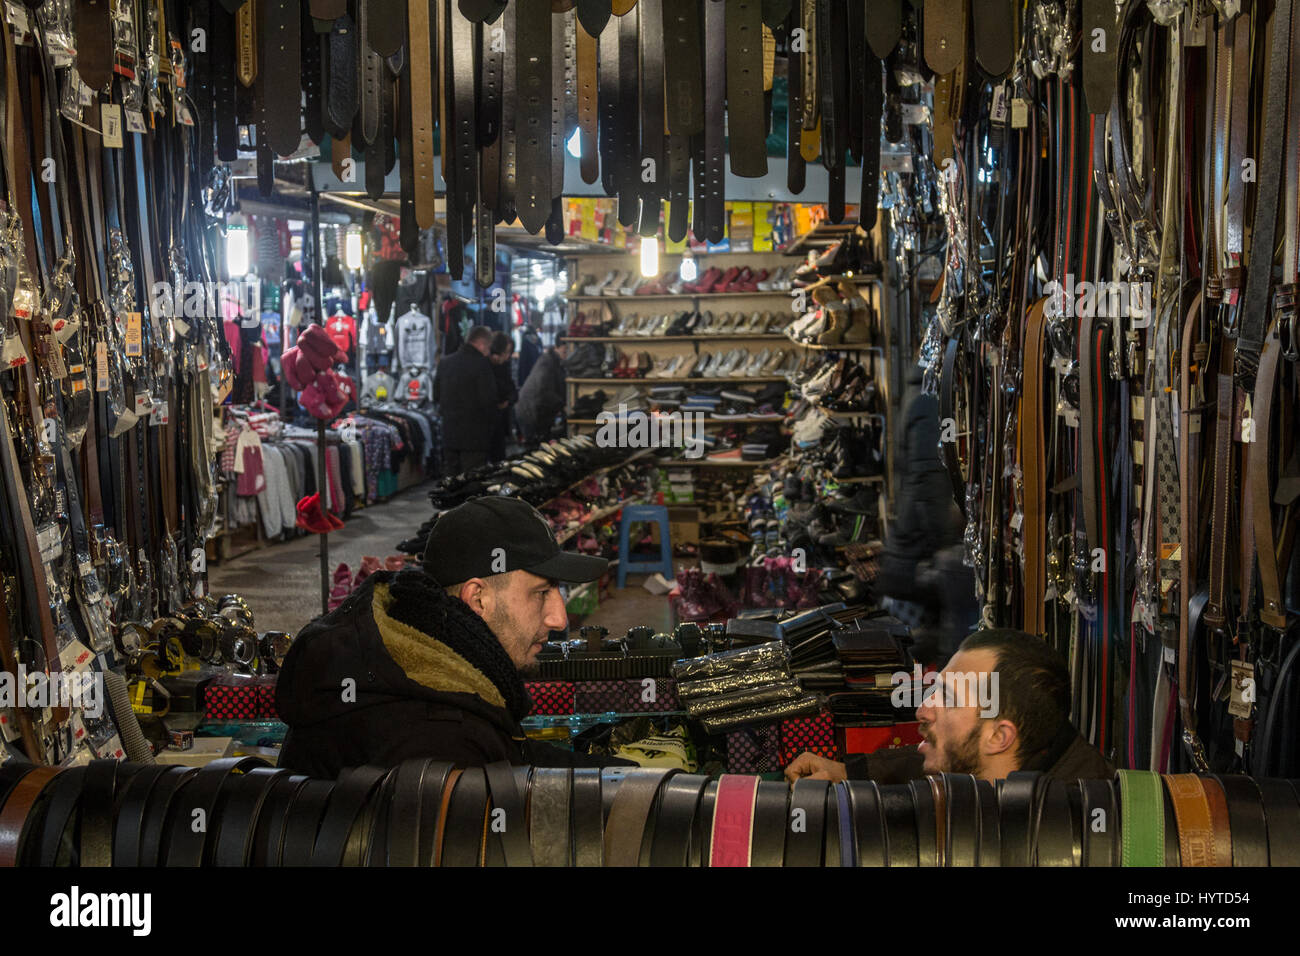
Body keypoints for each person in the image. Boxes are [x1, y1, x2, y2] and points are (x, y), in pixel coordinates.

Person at [275, 496, 635, 777]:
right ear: (478, 598)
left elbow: (512, 758)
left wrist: (627, 779)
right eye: (541, 593)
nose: (558, 619)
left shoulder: (434, 668)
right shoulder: (438, 737)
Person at [784, 629, 1113, 784]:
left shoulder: (1074, 833)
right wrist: (850, 772)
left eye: (948, 699)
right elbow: (948, 756)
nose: (921, 710)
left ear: (999, 737)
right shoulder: (1012, 760)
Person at [876, 360, 976, 666]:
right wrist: (945, 546)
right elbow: (928, 479)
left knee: (939, 641)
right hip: (921, 550)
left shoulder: (920, 393)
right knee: (947, 641)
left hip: (916, 546)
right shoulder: (929, 400)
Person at [432, 324, 498, 474]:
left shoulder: (445, 363)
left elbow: (436, 395)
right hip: (475, 438)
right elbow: (489, 401)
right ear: (482, 344)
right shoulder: (482, 365)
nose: (488, 353)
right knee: (471, 484)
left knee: (451, 482)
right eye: (488, 347)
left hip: (449, 435)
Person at [515, 333, 569, 444]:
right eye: (565, 351)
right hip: (531, 413)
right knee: (537, 449)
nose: (567, 355)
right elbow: (544, 391)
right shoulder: (547, 362)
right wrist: (563, 406)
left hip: (536, 411)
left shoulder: (555, 362)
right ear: (557, 347)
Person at [488, 331, 518, 462]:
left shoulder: (504, 367)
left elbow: (513, 391)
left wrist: (508, 401)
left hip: (500, 422)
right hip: (487, 424)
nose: (508, 356)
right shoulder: (484, 367)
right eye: (507, 352)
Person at [517, 315, 544, 388]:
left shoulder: (526, 340)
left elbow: (522, 362)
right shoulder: (538, 340)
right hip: (537, 374)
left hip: (527, 376)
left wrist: (520, 382)